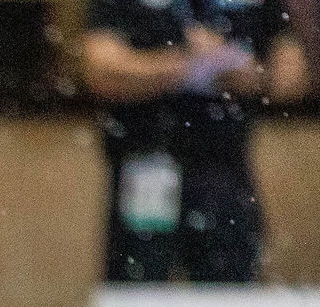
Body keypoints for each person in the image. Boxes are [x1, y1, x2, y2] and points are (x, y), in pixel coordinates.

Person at [83, 0, 307, 284]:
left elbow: (292, 78)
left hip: (223, 168)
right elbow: (100, 70)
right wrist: (183, 64)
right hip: (149, 166)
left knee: (229, 290)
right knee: (138, 283)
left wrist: (243, 71)